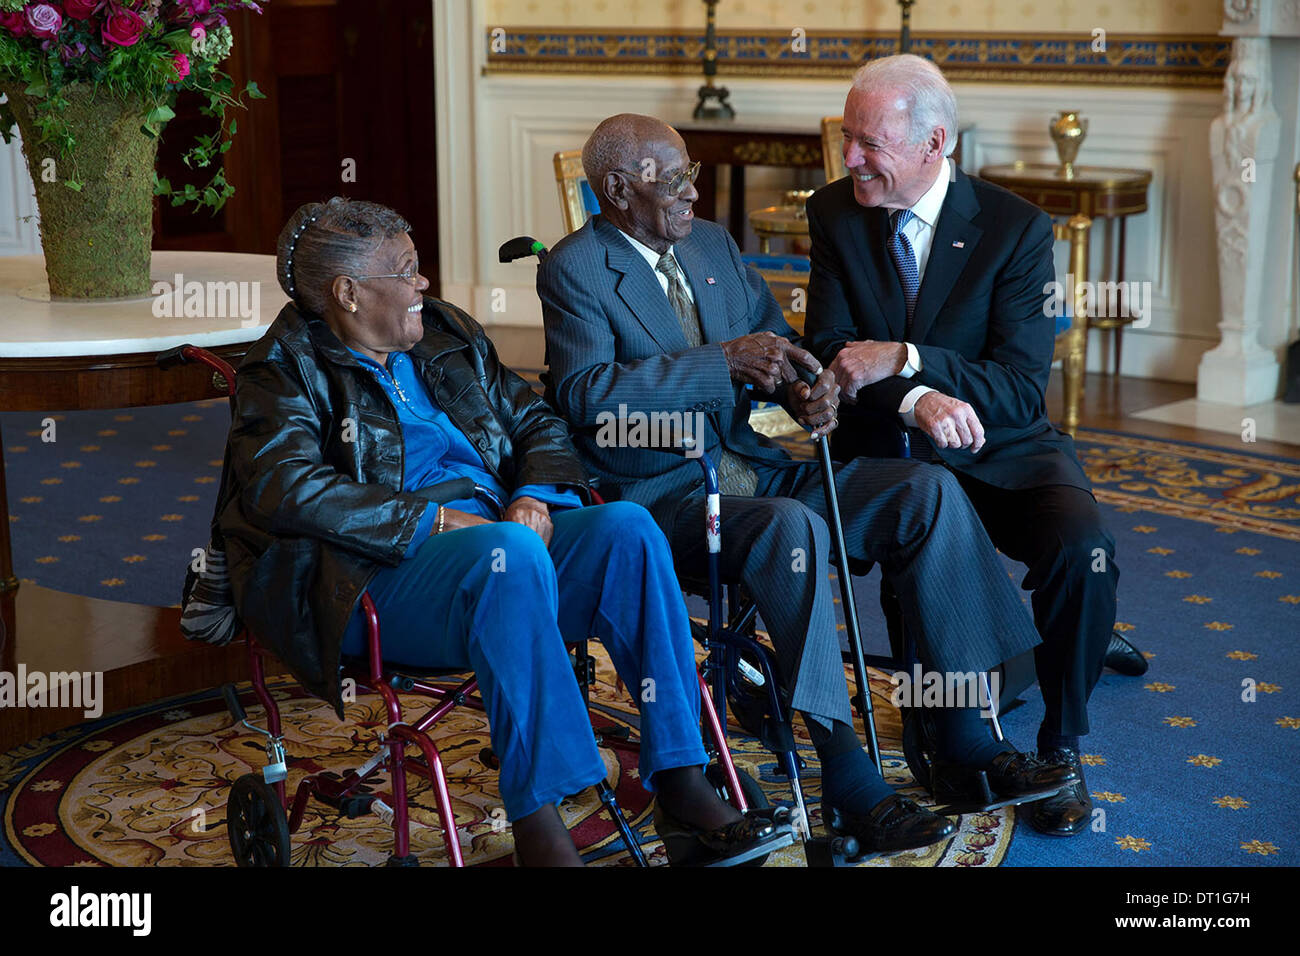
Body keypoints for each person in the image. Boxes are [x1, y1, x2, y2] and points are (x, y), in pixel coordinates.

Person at [537, 114, 1078, 855]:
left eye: (693, 169)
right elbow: (589, 396)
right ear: (618, 191)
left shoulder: (710, 245)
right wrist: (723, 361)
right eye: (675, 180)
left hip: (750, 468)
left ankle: (963, 732)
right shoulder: (576, 266)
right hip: (660, 495)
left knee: (923, 490)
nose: (695, 191)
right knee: (791, 529)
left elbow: (778, 349)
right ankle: (847, 775)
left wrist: (806, 389)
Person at [212, 197, 786, 866]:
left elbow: (537, 422)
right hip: (372, 581)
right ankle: (540, 826)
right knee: (505, 553)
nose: (423, 283)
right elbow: (287, 491)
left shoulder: (447, 334)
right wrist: (430, 519)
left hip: (501, 545)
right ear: (348, 292)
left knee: (626, 528)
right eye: (406, 270)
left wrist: (536, 494)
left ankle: (684, 781)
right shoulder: (281, 370)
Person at [803, 54, 1120, 837]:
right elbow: (834, 350)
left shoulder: (1014, 228)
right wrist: (915, 396)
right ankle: (958, 729)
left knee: (1084, 553)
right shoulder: (837, 213)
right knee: (935, 737)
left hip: (1004, 449)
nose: (850, 159)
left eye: (868, 143)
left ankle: (1061, 742)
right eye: (848, 138)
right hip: (897, 451)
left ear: (934, 143)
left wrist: (908, 357)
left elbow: (1017, 387)